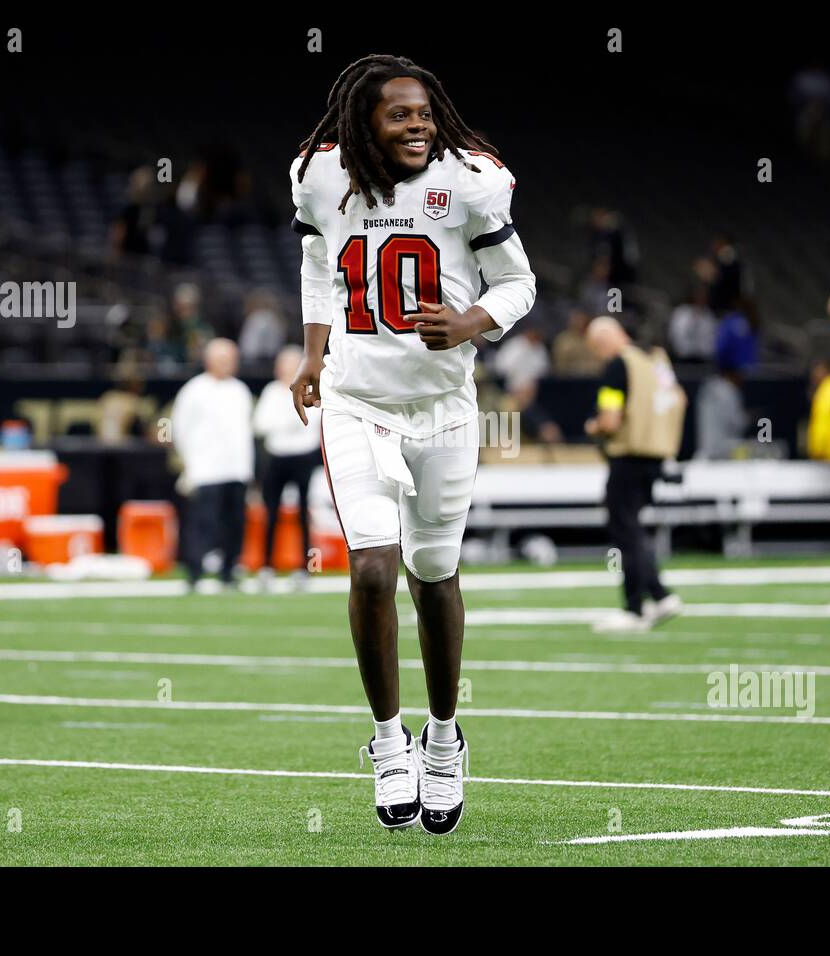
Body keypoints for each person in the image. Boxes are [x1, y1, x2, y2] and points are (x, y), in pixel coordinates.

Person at [289, 55, 535, 834]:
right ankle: (388, 741)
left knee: (433, 574)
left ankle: (442, 737)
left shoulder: (468, 178)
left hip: (444, 407)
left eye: (424, 112)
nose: (418, 123)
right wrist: (310, 353)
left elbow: (519, 284)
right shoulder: (323, 176)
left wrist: (468, 324)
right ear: (365, 122)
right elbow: (318, 265)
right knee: (370, 560)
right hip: (357, 400)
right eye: (399, 114)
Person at [584, 316, 685, 632]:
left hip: (628, 456)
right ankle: (659, 594)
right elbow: (677, 400)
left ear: (604, 340)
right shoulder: (657, 361)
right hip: (656, 456)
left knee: (625, 531)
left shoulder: (618, 366)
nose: (598, 355)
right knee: (634, 530)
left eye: (596, 348)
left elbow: (610, 420)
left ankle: (635, 607)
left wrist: (593, 426)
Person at [172, 339, 254, 592]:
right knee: (203, 522)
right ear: (209, 361)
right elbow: (179, 428)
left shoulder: (240, 390)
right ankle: (194, 571)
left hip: (236, 469)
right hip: (206, 469)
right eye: (222, 359)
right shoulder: (194, 390)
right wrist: (191, 461)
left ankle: (229, 571)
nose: (227, 364)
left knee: (235, 523)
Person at [253, 346, 322, 588]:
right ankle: (267, 565)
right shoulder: (271, 391)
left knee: (304, 513)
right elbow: (261, 424)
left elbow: (311, 423)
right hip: (277, 458)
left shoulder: (310, 389)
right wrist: (288, 421)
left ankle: (305, 567)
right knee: (271, 513)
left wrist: (283, 423)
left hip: (303, 457)